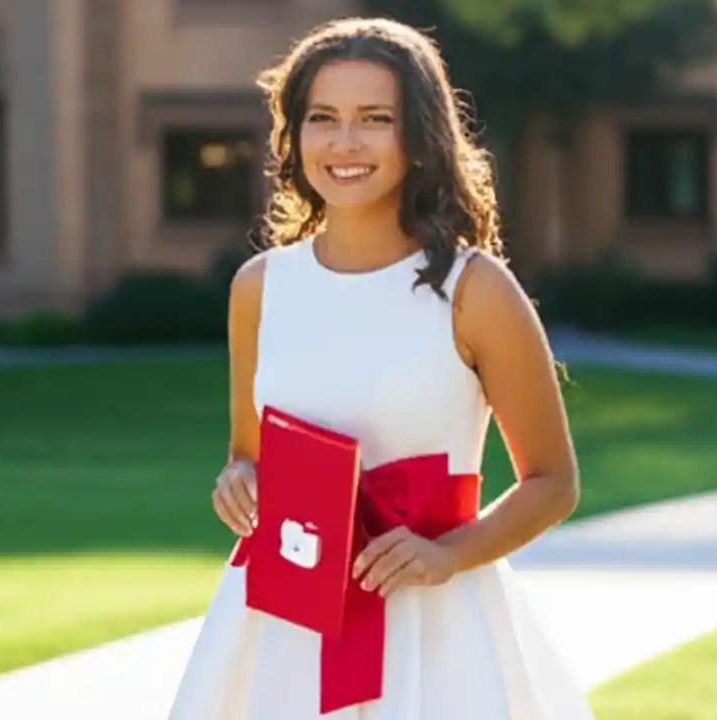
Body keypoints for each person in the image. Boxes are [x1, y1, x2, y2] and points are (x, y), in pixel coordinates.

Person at [168, 17, 595, 720]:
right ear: (294, 134)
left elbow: (553, 483)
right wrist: (237, 481)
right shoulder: (260, 288)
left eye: (375, 119)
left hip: (435, 630)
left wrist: (448, 554)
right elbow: (248, 456)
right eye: (323, 118)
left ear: (419, 138)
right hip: (282, 626)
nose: (345, 142)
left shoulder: (474, 290)